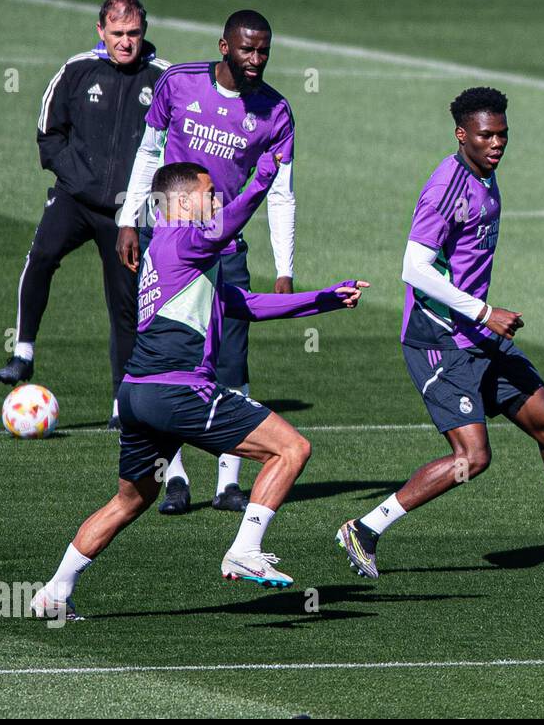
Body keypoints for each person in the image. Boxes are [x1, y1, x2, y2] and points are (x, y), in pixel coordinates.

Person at [29, 154, 367, 621]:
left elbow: (247, 304)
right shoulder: (182, 239)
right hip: (178, 391)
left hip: (137, 394)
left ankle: (54, 591)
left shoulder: (177, 257)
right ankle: (244, 549)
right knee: (290, 449)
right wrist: (265, 176)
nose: (217, 200)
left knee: (131, 499)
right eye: (210, 193)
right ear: (183, 201)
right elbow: (224, 227)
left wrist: (323, 299)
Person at [335, 87, 544, 577]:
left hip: (480, 337)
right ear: (461, 135)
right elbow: (414, 268)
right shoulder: (447, 186)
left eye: (503, 134)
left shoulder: (485, 176)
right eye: (486, 135)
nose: (497, 143)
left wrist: (483, 321)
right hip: (440, 341)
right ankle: (365, 528)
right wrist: (484, 313)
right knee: (472, 457)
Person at [116, 9, 297, 515]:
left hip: (226, 248)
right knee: (165, 351)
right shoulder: (178, 83)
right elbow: (148, 153)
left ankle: (229, 483)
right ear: (224, 47)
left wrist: (284, 268)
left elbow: (281, 192)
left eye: (264, 51)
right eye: (247, 49)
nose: (256, 59)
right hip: (167, 240)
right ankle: (172, 477)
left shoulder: (276, 111)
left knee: (229, 355)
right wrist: (129, 220)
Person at [0, 0, 169, 429]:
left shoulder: (163, 79)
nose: (125, 42)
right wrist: (81, 181)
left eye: (133, 33)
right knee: (41, 258)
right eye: (116, 33)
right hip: (74, 199)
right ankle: (23, 353)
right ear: (100, 31)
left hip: (126, 215)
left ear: (144, 32)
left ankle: (120, 403)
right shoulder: (76, 71)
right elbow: (48, 135)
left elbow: (175, 145)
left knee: (125, 305)